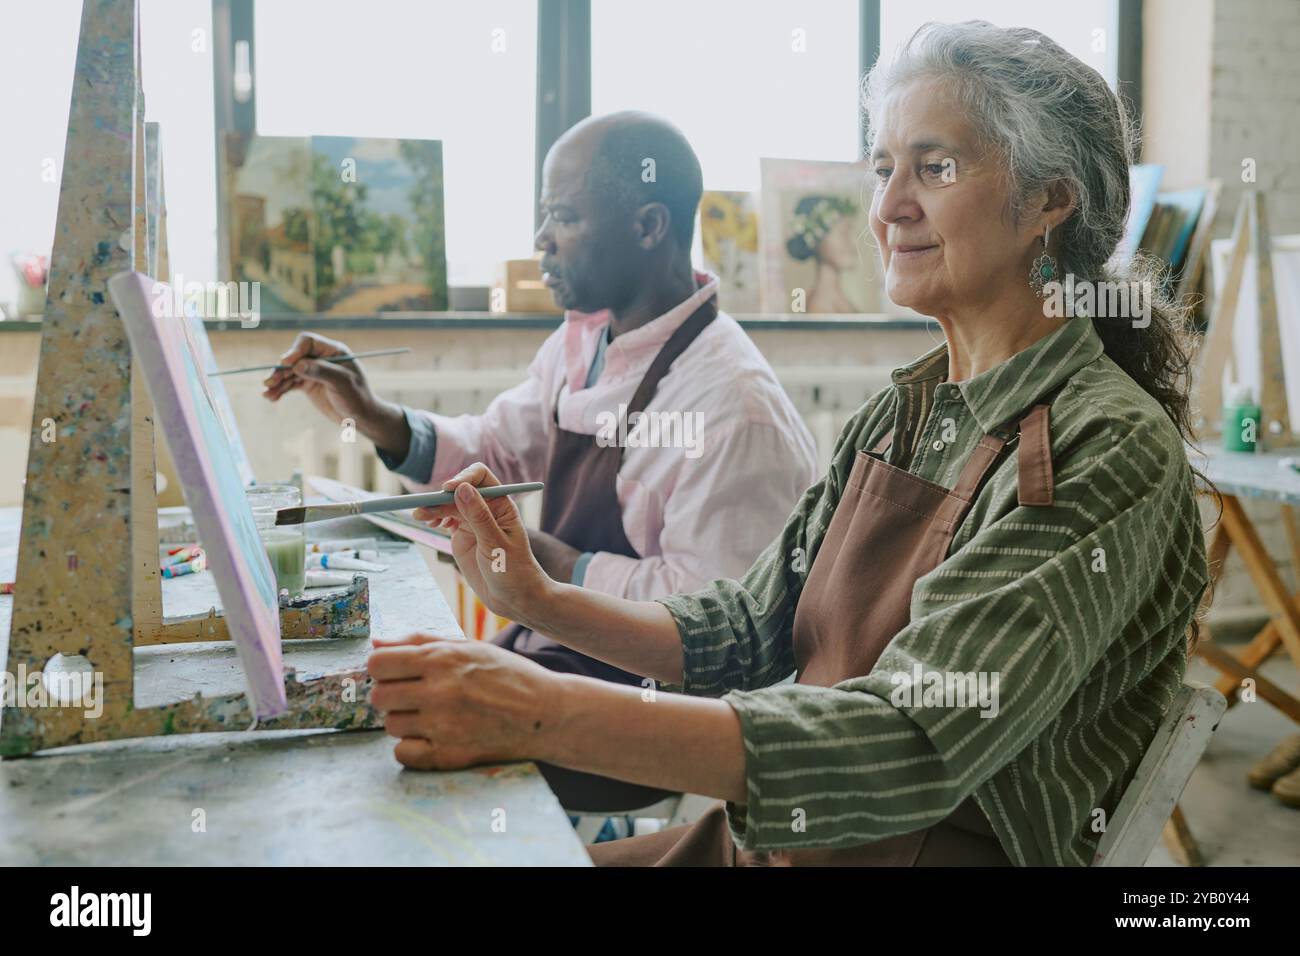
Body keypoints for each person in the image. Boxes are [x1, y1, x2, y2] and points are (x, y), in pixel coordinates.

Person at [364, 21, 1211, 866]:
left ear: (1049, 202)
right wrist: (538, 599)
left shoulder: (1106, 447)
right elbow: (746, 625)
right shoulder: (903, 414)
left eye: (935, 167)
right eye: (884, 170)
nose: (887, 208)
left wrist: (536, 710)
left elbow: (911, 737)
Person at [263, 111, 818, 813]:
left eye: (562, 217)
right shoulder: (586, 340)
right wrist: (371, 413)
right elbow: (494, 445)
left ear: (648, 227)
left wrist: (547, 562)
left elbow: (722, 638)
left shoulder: (734, 408)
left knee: (396, 765)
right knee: (379, 701)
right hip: (556, 653)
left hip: (641, 715)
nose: (540, 241)